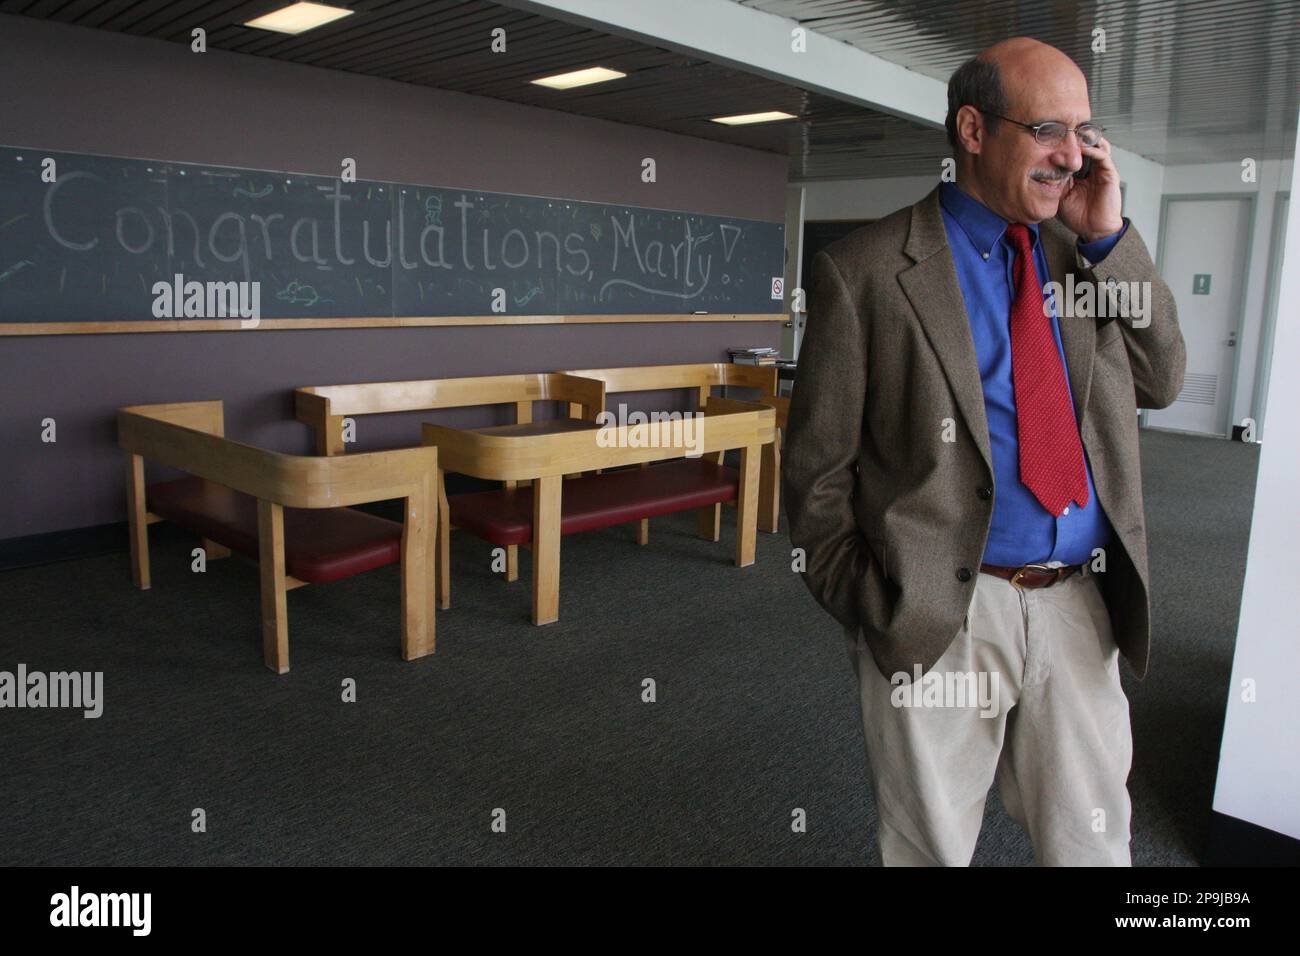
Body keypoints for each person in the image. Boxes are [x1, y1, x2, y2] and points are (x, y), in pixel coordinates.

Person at [782, 36, 1186, 866]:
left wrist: (1111, 239)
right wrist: (875, 602)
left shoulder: (1088, 260)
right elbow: (815, 474)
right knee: (929, 846)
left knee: (1095, 846)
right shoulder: (862, 272)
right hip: (940, 613)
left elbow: (1164, 376)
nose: (1071, 155)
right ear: (972, 129)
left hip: (1082, 607)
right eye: (1047, 129)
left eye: (1081, 131)